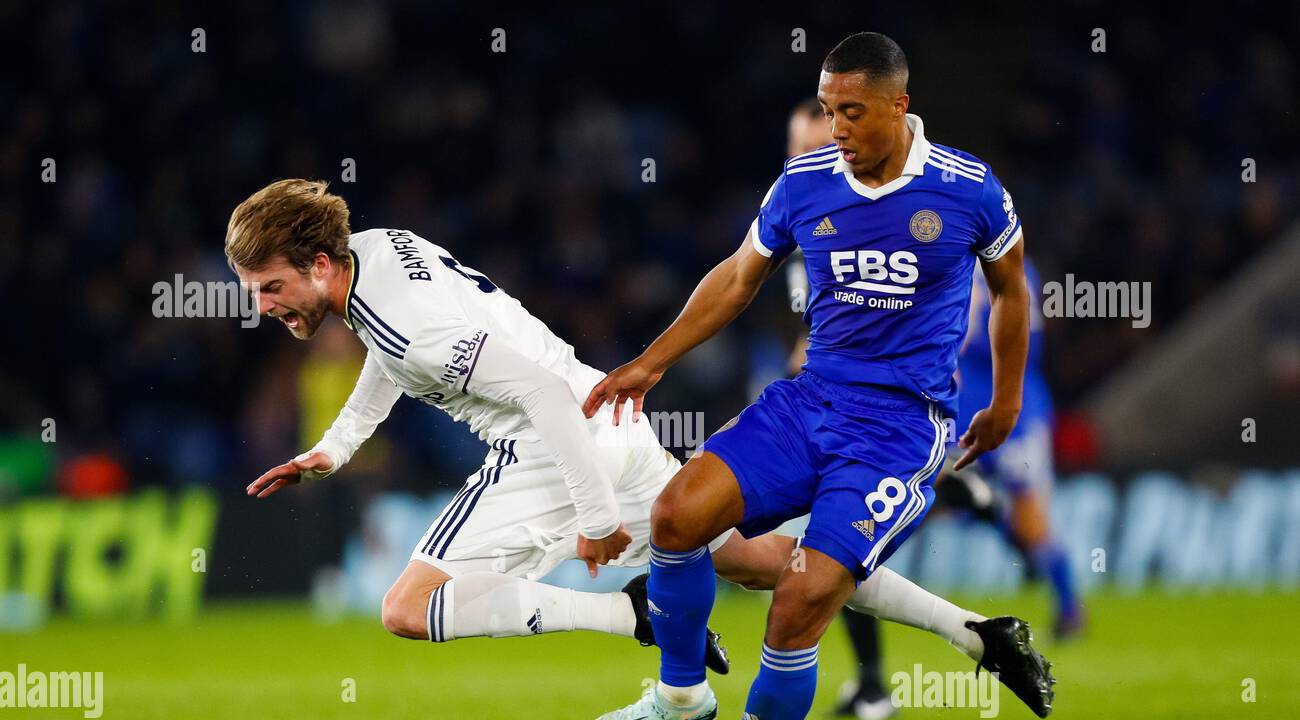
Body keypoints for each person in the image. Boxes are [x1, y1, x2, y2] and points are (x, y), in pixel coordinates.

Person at [227, 179, 1027, 686]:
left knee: (408, 606)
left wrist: (595, 521)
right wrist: (336, 447)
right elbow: (391, 353)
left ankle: (632, 614)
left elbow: (526, 389)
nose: (265, 306)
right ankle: (973, 632)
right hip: (606, 417)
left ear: (321, 264)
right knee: (755, 561)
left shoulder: (402, 327)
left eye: (271, 287)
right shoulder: (375, 254)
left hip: (552, 437)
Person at [584, 32, 1055, 720]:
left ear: (899, 107)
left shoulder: (968, 188)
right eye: (828, 109)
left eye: (852, 111)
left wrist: (1006, 403)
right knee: (675, 517)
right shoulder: (805, 183)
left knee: (800, 602)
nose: (834, 127)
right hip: (808, 403)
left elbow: (1010, 289)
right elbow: (738, 277)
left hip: (901, 430)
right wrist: (651, 362)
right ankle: (680, 691)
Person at [785, 98, 897, 720]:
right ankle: (872, 684)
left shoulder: (863, 217)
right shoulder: (800, 216)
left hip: (874, 415)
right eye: (793, 151)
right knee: (825, 555)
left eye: (812, 149)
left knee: (833, 550)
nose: (800, 161)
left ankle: (875, 685)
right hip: (815, 402)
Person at [957, 259, 1085, 638]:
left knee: (1029, 514)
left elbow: (1026, 338)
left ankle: (1068, 606)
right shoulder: (955, 253)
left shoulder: (1007, 261)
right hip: (964, 402)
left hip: (1016, 406)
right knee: (948, 494)